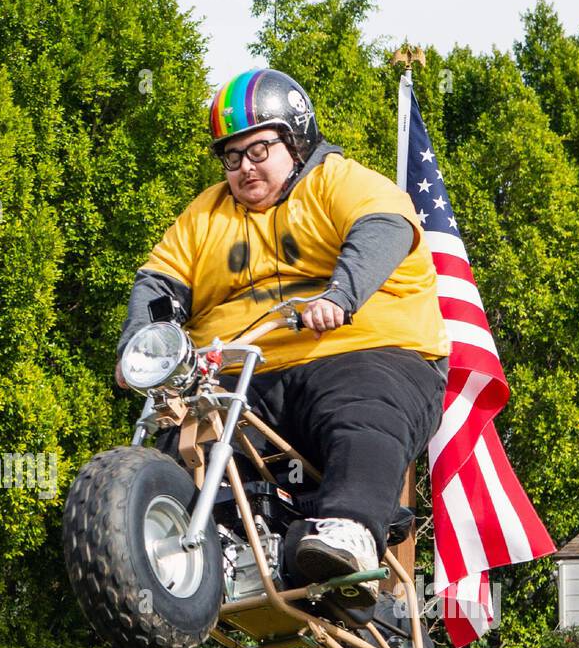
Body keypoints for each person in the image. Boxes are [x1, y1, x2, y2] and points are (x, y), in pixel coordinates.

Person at [116, 68, 451, 608]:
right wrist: (140, 343)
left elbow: (383, 225)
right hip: (245, 367)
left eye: (259, 149)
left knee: (362, 406)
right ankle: (199, 545)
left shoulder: (339, 181)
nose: (244, 167)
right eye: (231, 156)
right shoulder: (205, 215)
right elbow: (160, 282)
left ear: (295, 141)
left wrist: (339, 297)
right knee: (183, 430)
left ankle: (349, 530)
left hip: (362, 349)